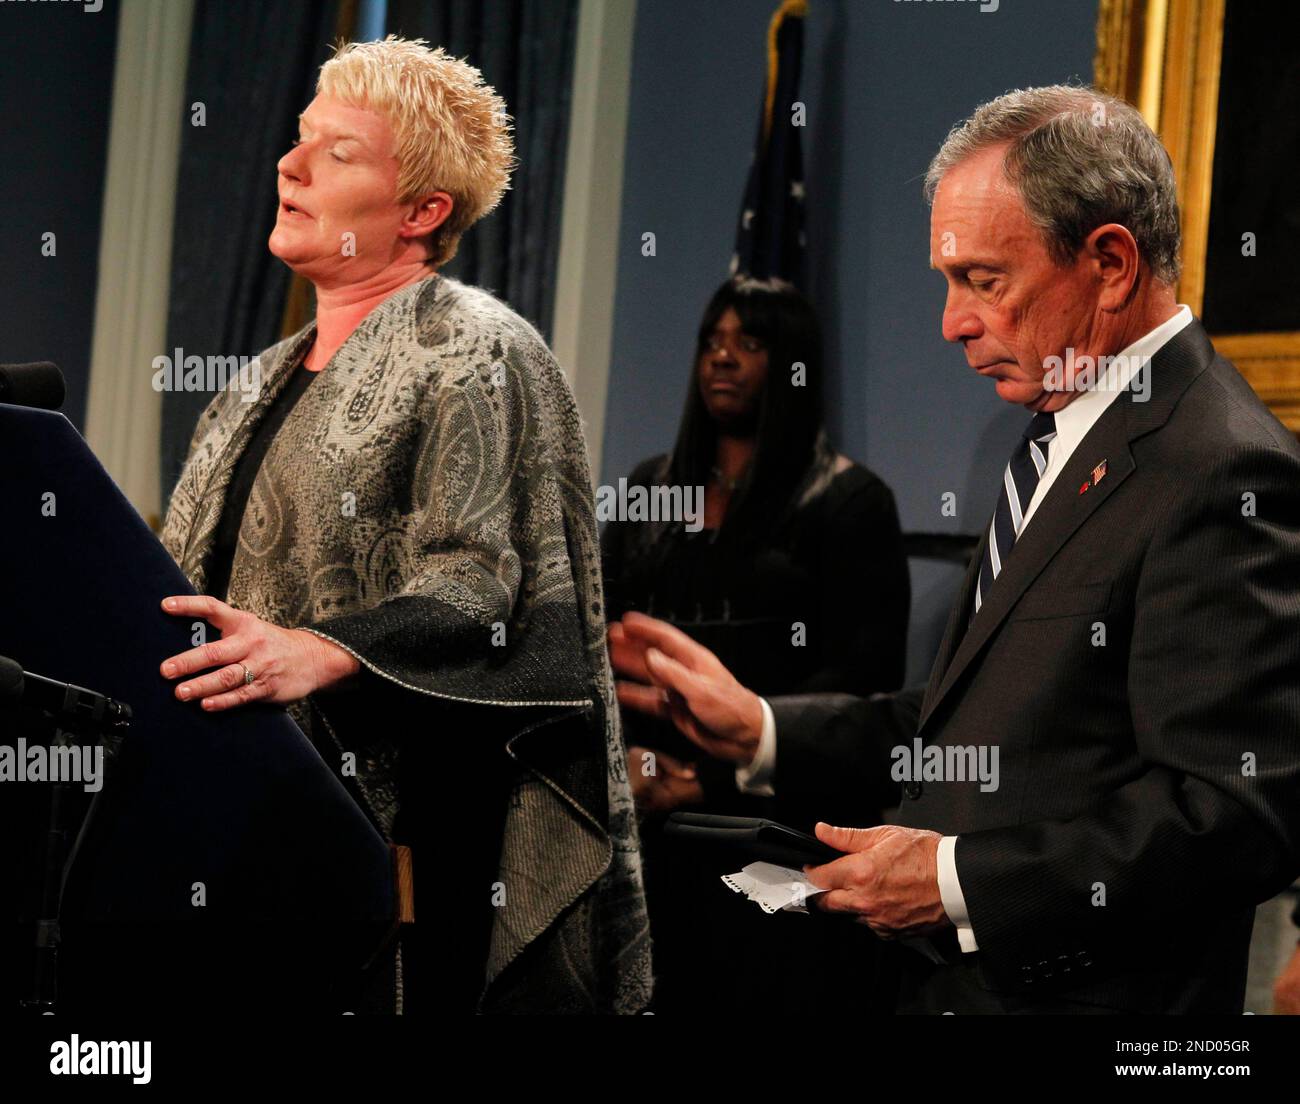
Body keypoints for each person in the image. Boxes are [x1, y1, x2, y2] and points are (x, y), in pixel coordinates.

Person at [610, 84, 1300, 1014]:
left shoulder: (1222, 466)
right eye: (948, 283)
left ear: (1108, 264)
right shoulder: (1068, 425)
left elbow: (1234, 813)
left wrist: (955, 881)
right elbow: (961, 727)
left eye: (983, 279)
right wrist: (760, 729)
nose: (953, 322)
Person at [157, 36, 650, 1014]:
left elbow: (482, 584)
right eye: (297, 142)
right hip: (230, 820)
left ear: (422, 211)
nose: (289, 167)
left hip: (398, 846)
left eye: (336, 154)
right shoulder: (255, 380)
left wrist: (324, 650)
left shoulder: (473, 349)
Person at [601, 275, 909, 1013]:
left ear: (793, 361)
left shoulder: (850, 502)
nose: (722, 359)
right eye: (712, 341)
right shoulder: (651, 487)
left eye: (750, 343)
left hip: (769, 836)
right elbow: (598, 640)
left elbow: (863, 685)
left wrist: (708, 778)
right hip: (642, 824)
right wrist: (634, 766)